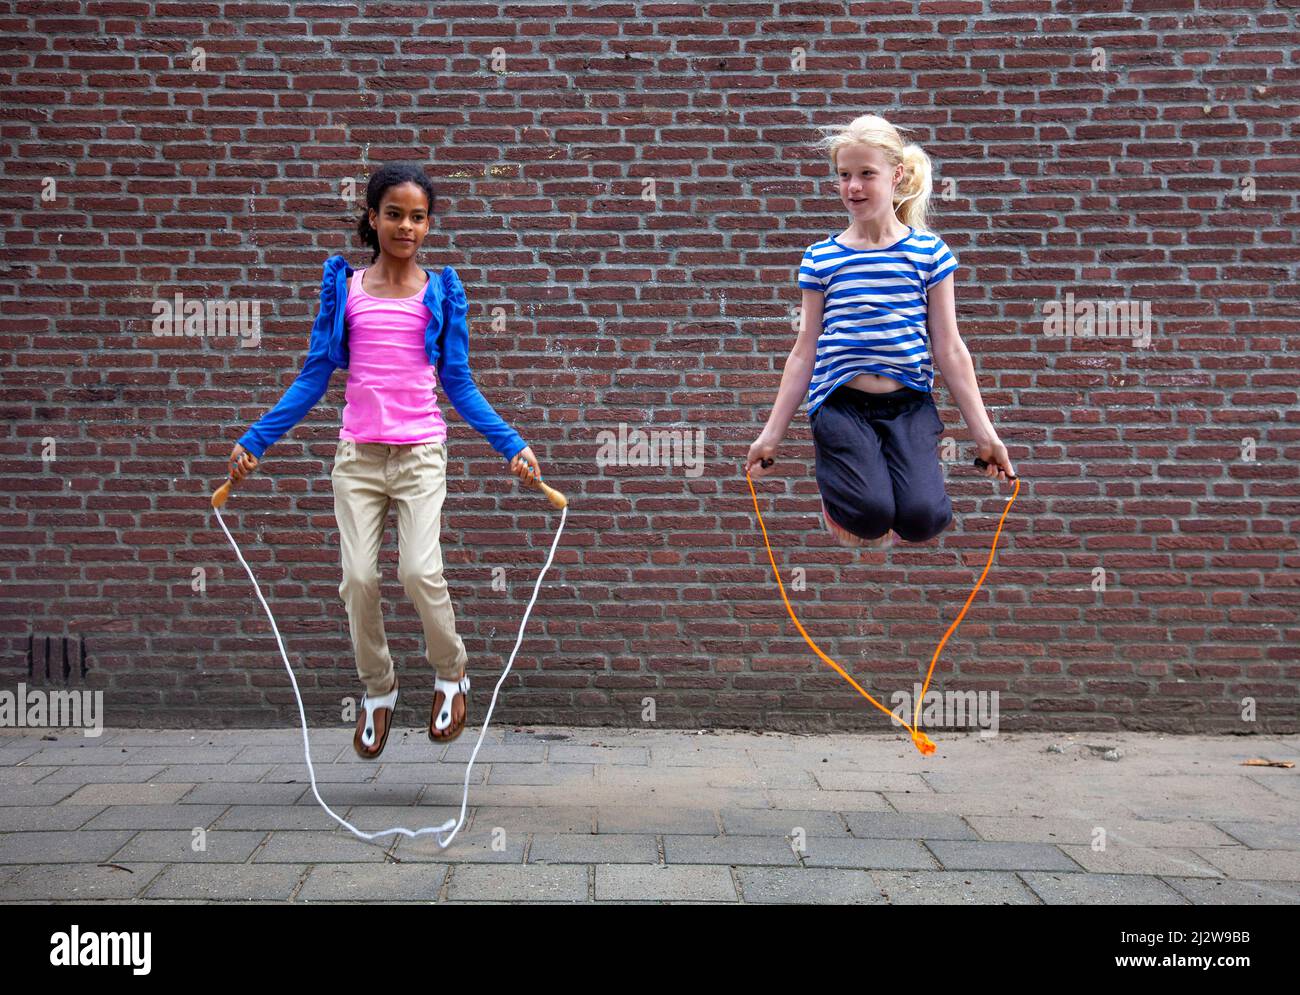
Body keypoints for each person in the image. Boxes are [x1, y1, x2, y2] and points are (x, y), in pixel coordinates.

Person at [226, 163, 540, 758]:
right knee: (358, 580)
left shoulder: (440, 292)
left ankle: (452, 675)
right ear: (372, 218)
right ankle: (379, 691)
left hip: (421, 454)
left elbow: (460, 385)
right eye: (394, 213)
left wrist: (512, 444)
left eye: (418, 216)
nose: (406, 225)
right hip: (359, 459)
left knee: (418, 572)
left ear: (429, 224)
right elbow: (314, 377)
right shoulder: (345, 289)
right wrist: (256, 440)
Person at [745, 114, 1015, 548]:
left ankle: (888, 489)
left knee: (924, 519)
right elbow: (804, 350)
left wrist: (986, 435)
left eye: (866, 174)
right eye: (844, 175)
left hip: (908, 403)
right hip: (840, 404)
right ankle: (845, 495)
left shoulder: (928, 253)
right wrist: (770, 435)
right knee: (870, 516)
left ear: (897, 175)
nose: (853, 187)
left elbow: (949, 347)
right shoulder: (821, 258)